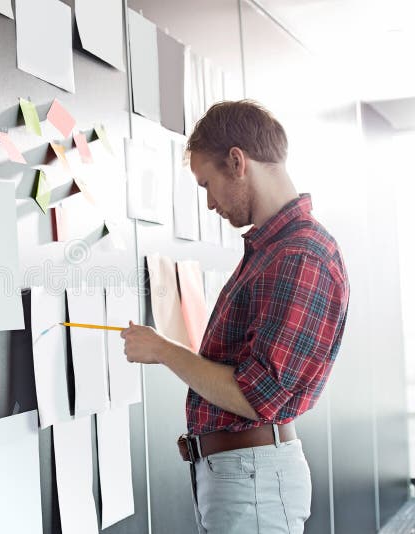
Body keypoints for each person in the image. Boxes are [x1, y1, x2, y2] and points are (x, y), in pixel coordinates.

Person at [121, 100, 350, 534]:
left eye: (207, 184)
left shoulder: (299, 255)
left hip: (252, 479)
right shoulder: (273, 250)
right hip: (242, 475)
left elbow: (255, 397)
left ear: (237, 162)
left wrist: (163, 350)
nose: (210, 203)